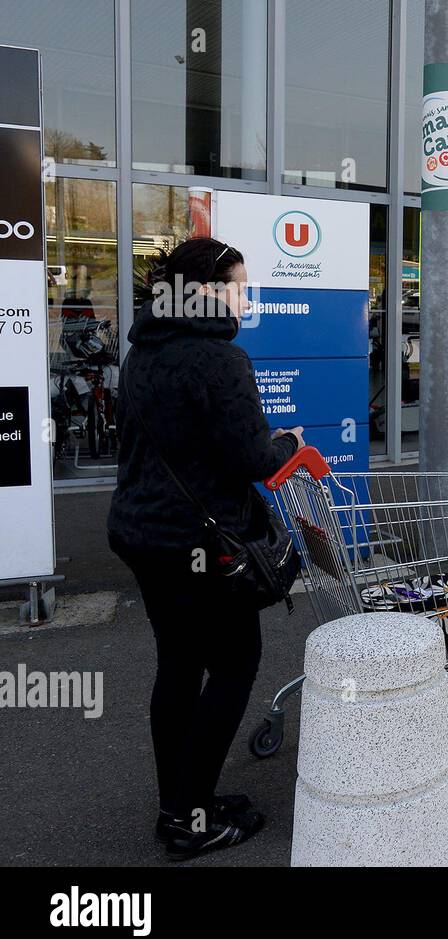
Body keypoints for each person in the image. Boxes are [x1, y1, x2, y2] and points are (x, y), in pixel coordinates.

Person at [108, 237, 304, 861]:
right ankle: (190, 821)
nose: (246, 297)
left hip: (142, 532)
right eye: (239, 284)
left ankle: (184, 804)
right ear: (206, 290)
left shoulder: (144, 352)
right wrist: (289, 441)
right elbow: (250, 457)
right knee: (235, 662)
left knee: (179, 666)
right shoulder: (221, 361)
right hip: (199, 541)